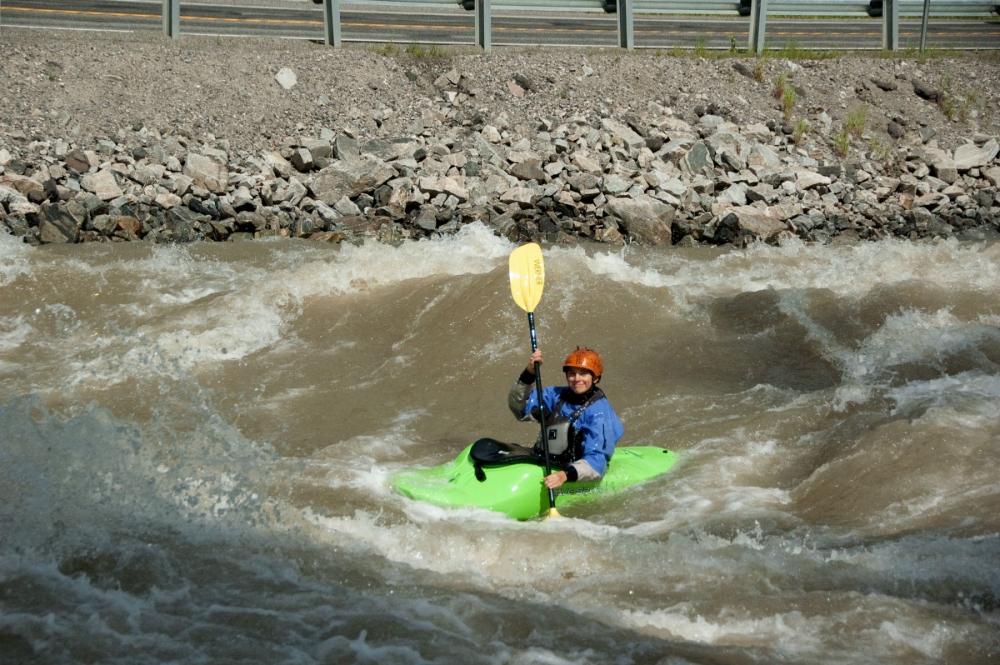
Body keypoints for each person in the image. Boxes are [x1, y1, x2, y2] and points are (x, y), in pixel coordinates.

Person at [508, 347, 624, 489]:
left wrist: (564, 475)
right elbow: (520, 408)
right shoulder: (554, 395)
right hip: (544, 459)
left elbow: (597, 462)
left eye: (583, 374)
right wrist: (529, 373)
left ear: (596, 378)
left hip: (573, 471)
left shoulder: (599, 413)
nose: (577, 379)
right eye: (572, 374)